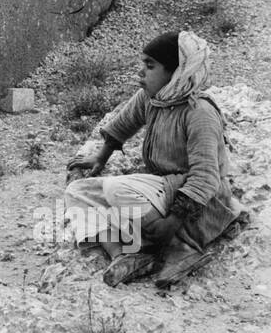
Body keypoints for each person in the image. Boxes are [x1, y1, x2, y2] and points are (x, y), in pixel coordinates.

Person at [64, 31, 240, 287]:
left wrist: (172, 221)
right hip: (162, 191)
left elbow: (205, 177)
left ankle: (180, 247)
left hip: (199, 203)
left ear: (175, 72)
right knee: (77, 191)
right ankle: (124, 256)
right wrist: (100, 157)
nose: (141, 73)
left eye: (150, 66)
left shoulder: (199, 112)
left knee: (115, 189)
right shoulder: (154, 97)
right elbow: (124, 122)